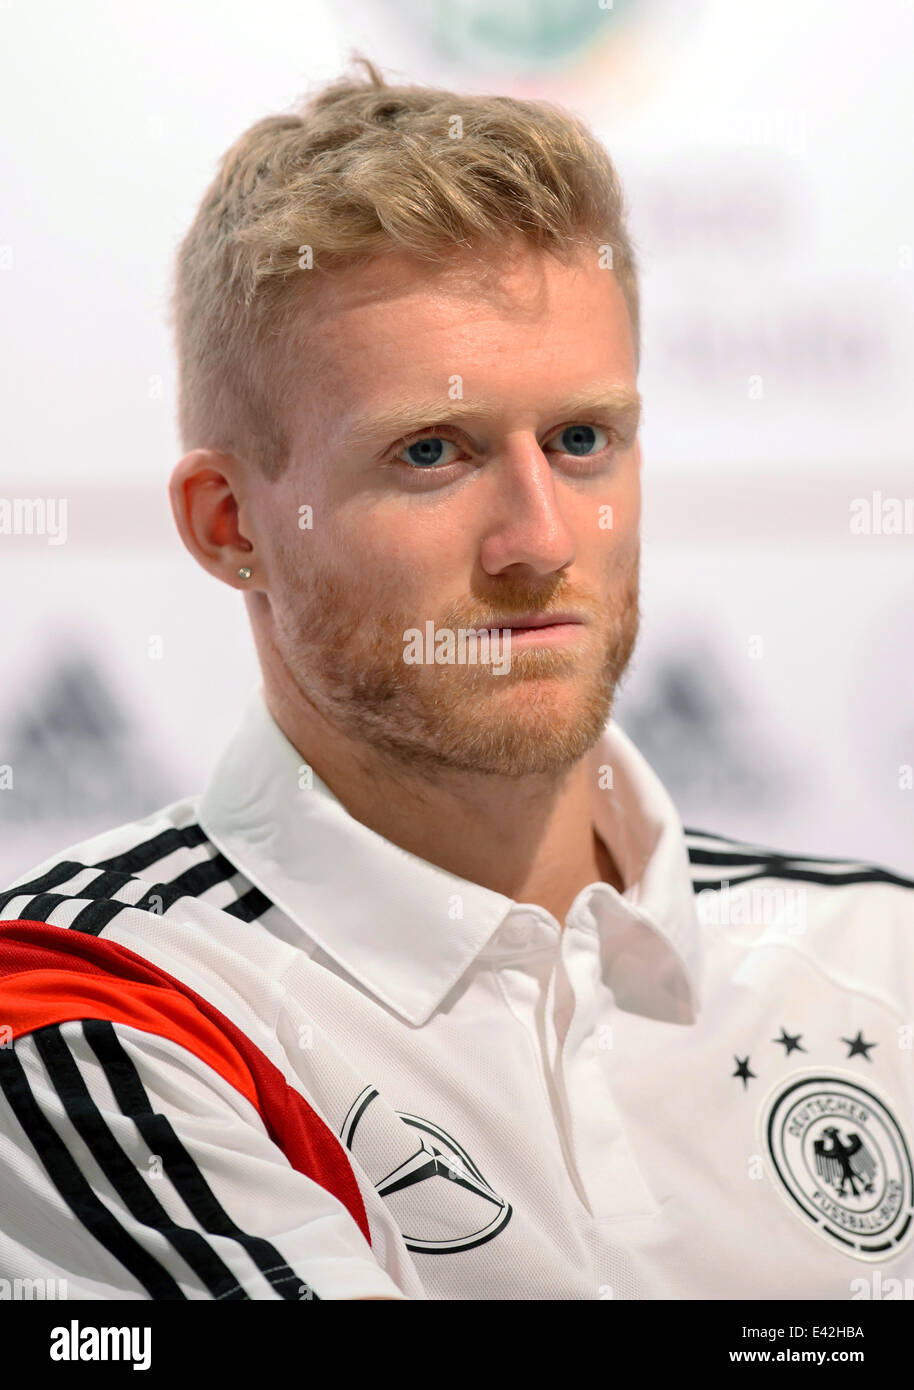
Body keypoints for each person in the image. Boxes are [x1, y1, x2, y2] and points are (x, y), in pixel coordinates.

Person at [1, 58, 912, 1302]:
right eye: (431, 452)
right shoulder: (90, 1004)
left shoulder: (883, 947)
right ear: (230, 524)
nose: (539, 538)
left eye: (582, 440)